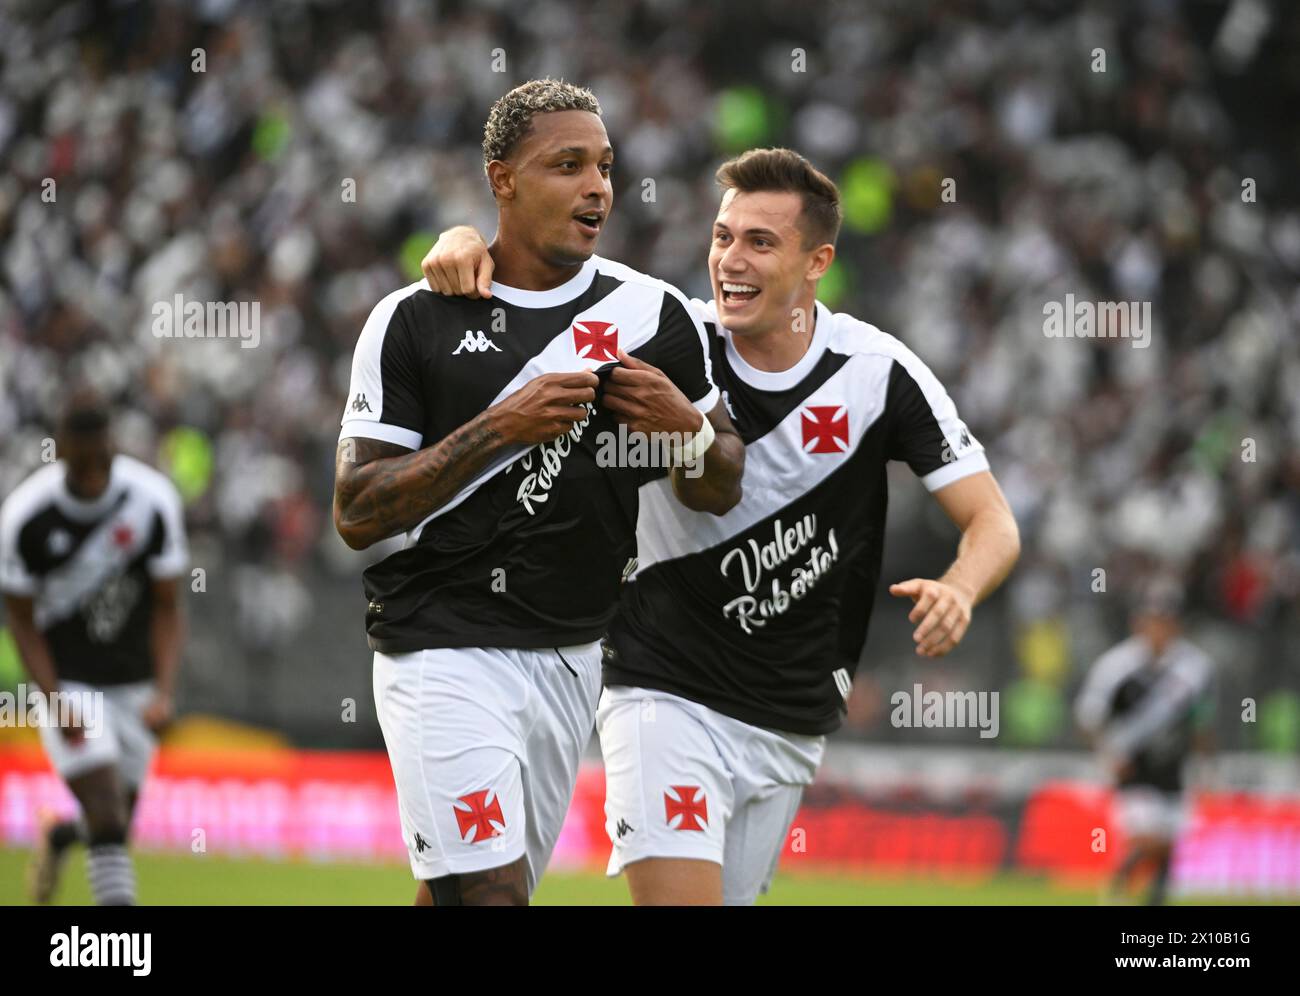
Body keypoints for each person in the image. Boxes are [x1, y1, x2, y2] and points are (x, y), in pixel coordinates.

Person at [420, 146, 1021, 904]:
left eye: (761, 242)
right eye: (722, 236)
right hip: (661, 693)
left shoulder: (878, 373)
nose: (730, 259)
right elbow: (533, 304)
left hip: (789, 722)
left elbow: (993, 521)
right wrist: (465, 245)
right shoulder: (670, 335)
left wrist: (962, 588)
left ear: (817, 262)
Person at [333, 79, 744, 906]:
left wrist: (689, 430)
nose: (598, 187)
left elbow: (719, 485)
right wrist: (500, 427)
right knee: (491, 896)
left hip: (572, 652)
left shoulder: (652, 313)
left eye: (605, 166)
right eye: (568, 165)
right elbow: (357, 510)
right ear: (503, 179)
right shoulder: (415, 319)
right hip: (442, 641)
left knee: (464, 893)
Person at [0, 389, 187, 905]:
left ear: (109, 444)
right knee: (106, 811)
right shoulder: (26, 515)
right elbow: (20, 618)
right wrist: (53, 696)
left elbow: (169, 606)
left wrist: (164, 692)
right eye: (77, 454)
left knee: (113, 826)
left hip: (134, 684)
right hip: (72, 683)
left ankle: (60, 835)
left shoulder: (151, 502)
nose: (88, 467)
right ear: (59, 448)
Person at [1075, 578, 1215, 905]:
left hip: (1175, 769)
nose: (1159, 628)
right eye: (1152, 619)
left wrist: (1205, 765)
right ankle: (1118, 883)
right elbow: (1089, 718)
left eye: (1166, 620)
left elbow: (1201, 722)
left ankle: (1150, 899)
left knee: (1170, 847)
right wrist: (1109, 755)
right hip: (1133, 769)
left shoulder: (1195, 669)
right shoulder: (1115, 667)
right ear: (1138, 622)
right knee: (1148, 840)